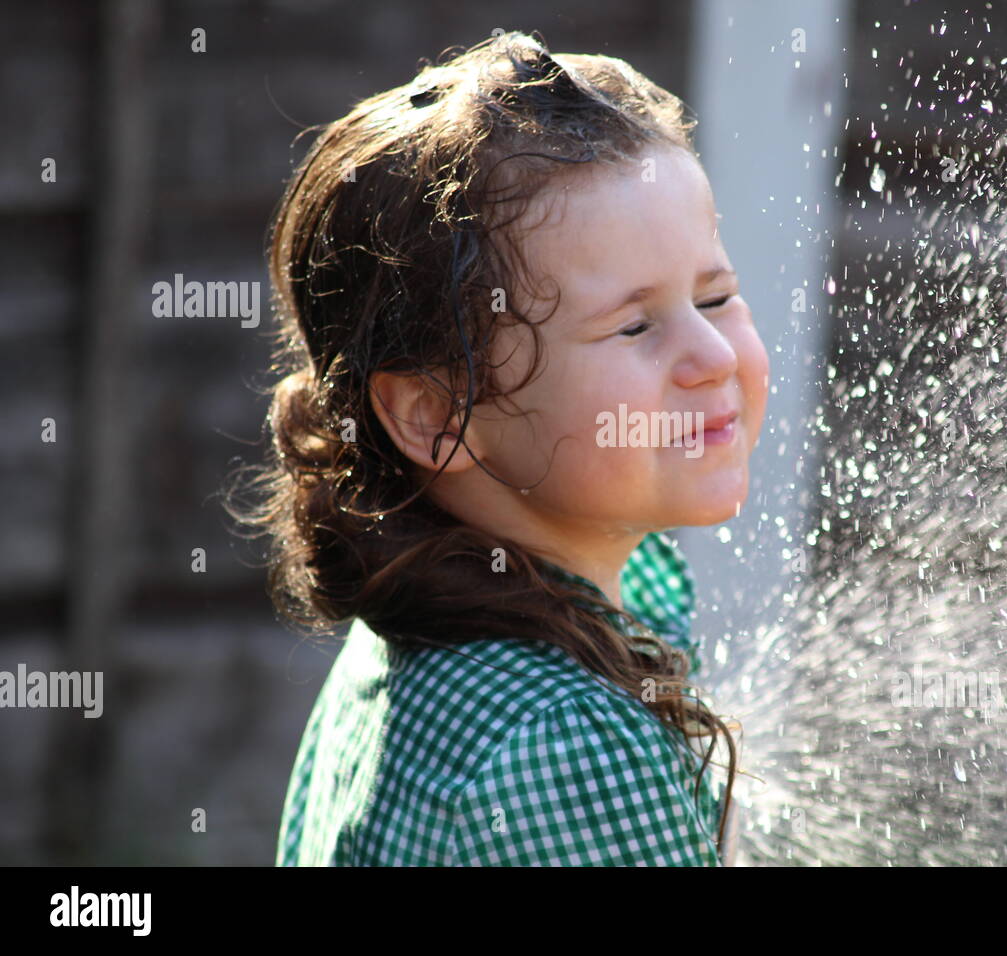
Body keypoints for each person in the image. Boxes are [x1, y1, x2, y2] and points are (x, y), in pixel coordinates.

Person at [240, 29, 769, 865]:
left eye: (717, 296)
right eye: (634, 325)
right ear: (436, 415)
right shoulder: (559, 745)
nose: (712, 358)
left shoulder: (423, 621)